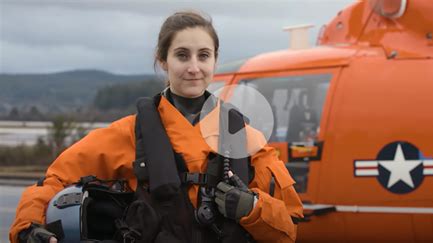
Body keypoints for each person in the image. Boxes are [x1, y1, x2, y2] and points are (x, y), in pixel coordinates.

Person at [10, 10, 303, 243]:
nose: (193, 67)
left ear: (215, 61)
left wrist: (251, 209)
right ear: (163, 60)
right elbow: (55, 180)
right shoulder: (130, 133)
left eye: (203, 55)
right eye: (181, 55)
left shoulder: (245, 140)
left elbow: (288, 228)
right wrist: (28, 226)